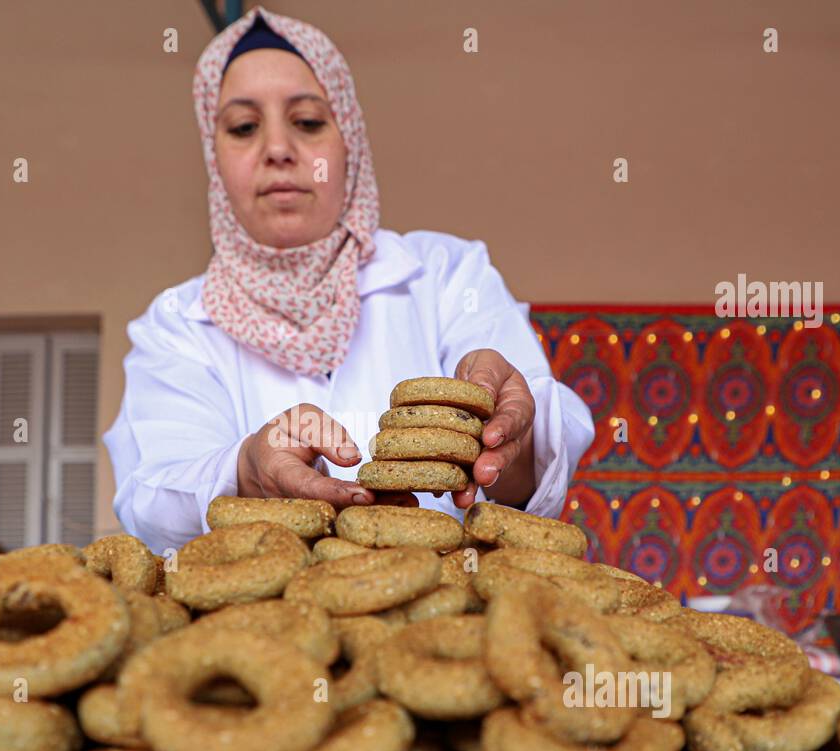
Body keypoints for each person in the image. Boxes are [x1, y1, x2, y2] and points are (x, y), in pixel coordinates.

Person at [104, 6, 593, 556]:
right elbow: (152, 501)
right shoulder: (175, 326)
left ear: (349, 141)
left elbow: (540, 447)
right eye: (243, 127)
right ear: (213, 158)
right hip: (267, 636)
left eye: (309, 121)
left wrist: (508, 440)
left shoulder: (445, 274)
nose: (277, 149)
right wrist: (246, 469)